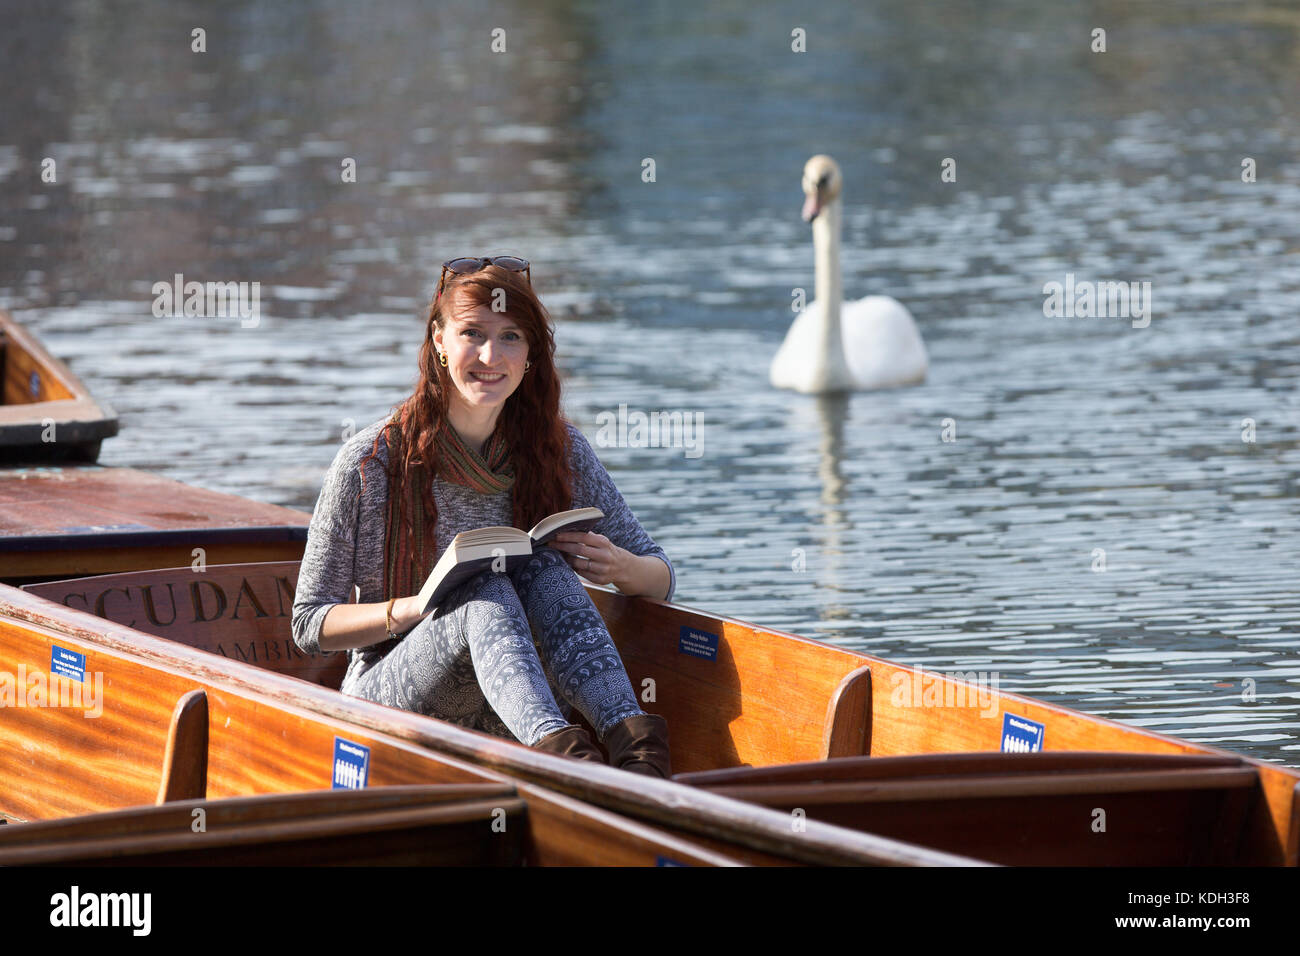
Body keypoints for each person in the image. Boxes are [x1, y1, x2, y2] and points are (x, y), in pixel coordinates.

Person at [291, 256, 672, 776]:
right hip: (388, 698)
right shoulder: (370, 463)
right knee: (485, 592)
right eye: (473, 333)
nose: (491, 355)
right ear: (439, 341)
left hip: (517, 705)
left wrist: (618, 567)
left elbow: (661, 576)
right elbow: (309, 622)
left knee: (545, 569)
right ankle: (575, 771)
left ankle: (641, 762)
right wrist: (408, 609)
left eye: (511, 336)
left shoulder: (558, 450)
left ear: (531, 354)